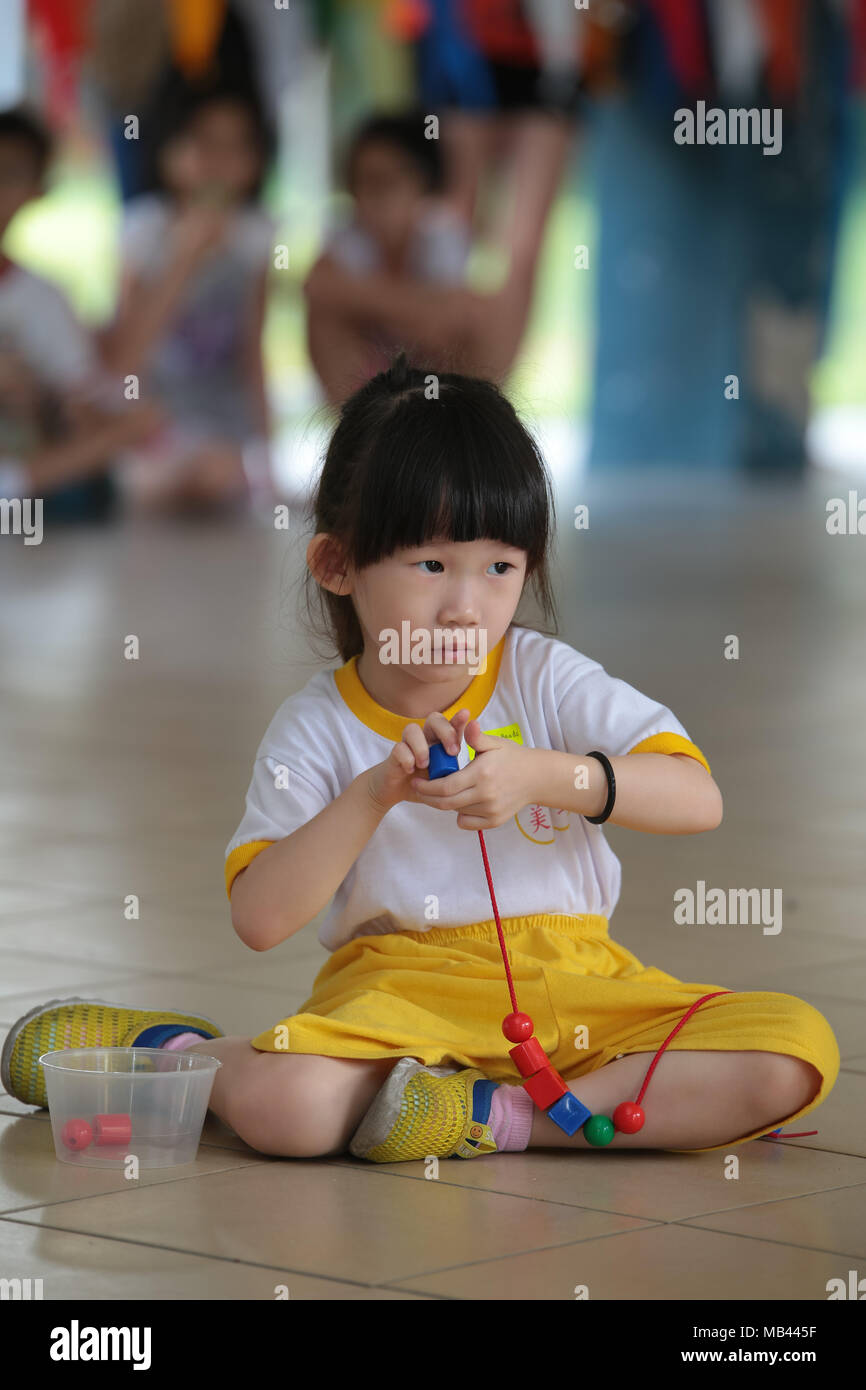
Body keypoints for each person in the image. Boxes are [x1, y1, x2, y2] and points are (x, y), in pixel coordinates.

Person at [2, 354, 838, 1164]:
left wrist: (548, 774)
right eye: (432, 563)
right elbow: (259, 920)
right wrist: (374, 794)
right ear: (337, 563)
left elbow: (698, 798)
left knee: (792, 1053)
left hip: (580, 988)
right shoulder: (317, 725)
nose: (466, 605)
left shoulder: (543, 675)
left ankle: (491, 1115)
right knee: (288, 1111)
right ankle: (176, 1052)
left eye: (500, 567)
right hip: (397, 994)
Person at [102, 84, 275, 514]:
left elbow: (253, 354)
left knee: (215, 479)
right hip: (148, 419)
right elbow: (124, 359)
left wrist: (267, 459)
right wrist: (184, 257)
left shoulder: (255, 238)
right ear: (169, 151)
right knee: (150, 484)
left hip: (219, 424)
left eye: (238, 145)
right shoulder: (143, 230)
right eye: (205, 142)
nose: (221, 161)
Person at [303, 109, 549, 400]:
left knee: (490, 319)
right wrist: (417, 308)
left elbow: (452, 322)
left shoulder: (441, 234)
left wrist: (365, 301)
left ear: (421, 184)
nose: (374, 197)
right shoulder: (348, 237)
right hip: (378, 372)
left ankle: (462, 418)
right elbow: (315, 287)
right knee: (325, 320)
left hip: (427, 373)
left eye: (388, 181)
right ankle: (360, 417)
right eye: (364, 182)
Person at [0, 107, 158, 517]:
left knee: (128, 431)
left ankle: (19, 487)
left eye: (10, 174)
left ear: (39, 190)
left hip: (29, 453)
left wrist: (62, 405)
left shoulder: (42, 296)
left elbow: (82, 391)